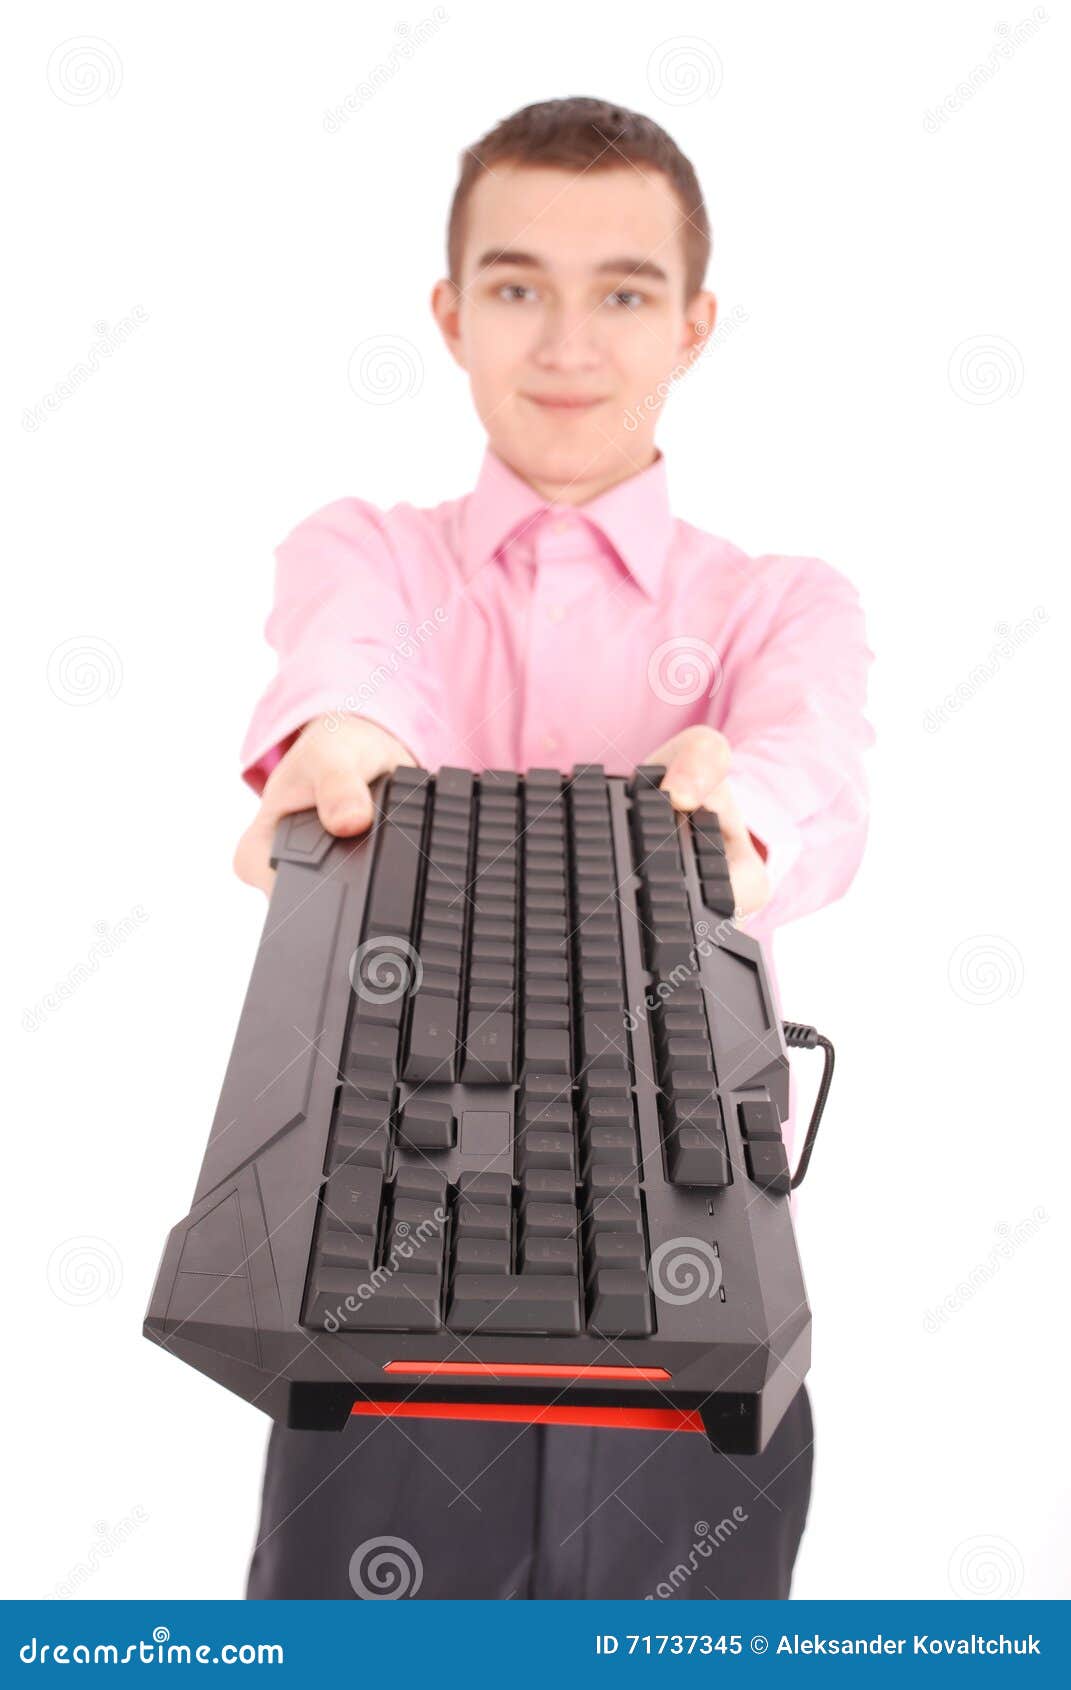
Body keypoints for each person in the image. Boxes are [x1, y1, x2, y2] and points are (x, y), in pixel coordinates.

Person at [234, 97, 873, 1600]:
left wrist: (728, 815)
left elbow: (810, 772)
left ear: (694, 324)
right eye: (518, 287)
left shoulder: (782, 602)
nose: (569, 344)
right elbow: (350, 682)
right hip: (378, 1294)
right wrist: (344, 759)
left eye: (624, 293)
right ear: (452, 316)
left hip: (693, 1311)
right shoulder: (365, 548)